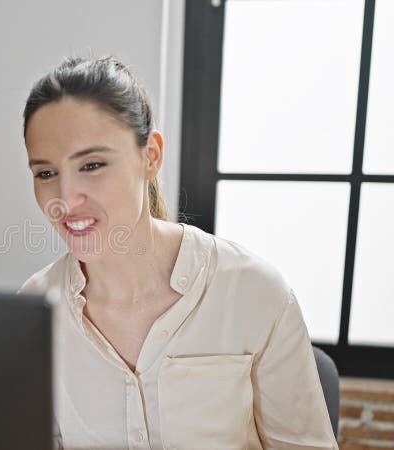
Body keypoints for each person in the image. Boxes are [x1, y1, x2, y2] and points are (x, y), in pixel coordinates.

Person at [19, 56, 337, 449]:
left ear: (150, 156)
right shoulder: (34, 310)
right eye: (46, 173)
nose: (65, 198)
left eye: (93, 164)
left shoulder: (254, 293)